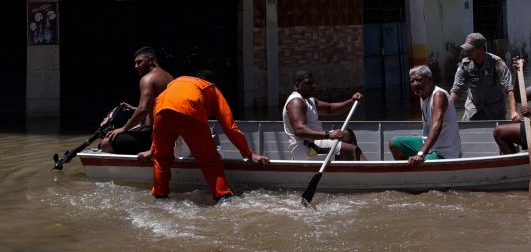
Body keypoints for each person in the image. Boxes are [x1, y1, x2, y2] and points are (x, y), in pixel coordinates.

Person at [137, 71, 269, 201]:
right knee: (210, 160)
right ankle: (222, 197)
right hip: (190, 111)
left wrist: (153, 150)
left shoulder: (177, 83)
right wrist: (249, 154)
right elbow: (229, 127)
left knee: (161, 159)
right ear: (215, 84)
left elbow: (156, 123)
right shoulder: (212, 89)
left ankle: (160, 197)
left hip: (161, 112)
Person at [101, 46, 174, 154]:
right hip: (167, 133)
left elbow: (143, 109)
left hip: (154, 135)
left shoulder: (147, 79)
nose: (136, 66)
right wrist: (134, 109)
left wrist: (124, 129)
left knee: (106, 143)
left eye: (139, 62)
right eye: (135, 63)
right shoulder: (169, 77)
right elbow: (155, 107)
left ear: (151, 60)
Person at [282, 71, 365, 161]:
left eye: (313, 83)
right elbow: (299, 130)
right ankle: (368, 172)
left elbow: (330, 109)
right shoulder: (296, 102)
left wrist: (352, 101)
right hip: (306, 148)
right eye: (308, 83)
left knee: (348, 135)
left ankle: (346, 170)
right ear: (297, 84)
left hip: (314, 142)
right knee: (354, 151)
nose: (313, 86)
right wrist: (328, 135)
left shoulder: (309, 100)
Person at [388, 65, 463, 165]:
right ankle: (408, 173)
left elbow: (437, 126)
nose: (415, 84)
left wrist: (421, 154)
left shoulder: (438, 95)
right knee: (394, 143)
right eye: (412, 81)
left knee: (421, 159)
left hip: (444, 152)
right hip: (429, 144)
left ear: (430, 80)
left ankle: (415, 170)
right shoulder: (423, 95)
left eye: (419, 80)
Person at [449, 32, 518, 122]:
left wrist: (513, 111)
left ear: (481, 50)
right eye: (467, 50)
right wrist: (445, 112)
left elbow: (509, 88)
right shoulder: (464, 65)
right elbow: (456, 90)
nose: (467, 52)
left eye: (470, 50)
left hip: (495, 110)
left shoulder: (497, 63)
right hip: (473, 109)